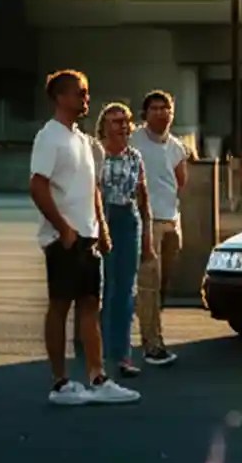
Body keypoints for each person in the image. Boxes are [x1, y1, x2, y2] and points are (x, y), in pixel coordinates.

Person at [29, 70, 140, 405]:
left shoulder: (82, 141)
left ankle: (98, 377)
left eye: (86, 92)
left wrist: (101, 228)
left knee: (92, 305)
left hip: (89, 236)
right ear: (61, 98)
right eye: (80, 93)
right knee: (60, 307)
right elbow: (37, 185)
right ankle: (60, 383)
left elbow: (91, 188)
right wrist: (63, 229)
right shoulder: (49, 137)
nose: (86, 99)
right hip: (64, 238)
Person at [75, 102, 156, 378]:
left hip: (127, 218)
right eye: (114, 121)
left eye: (124, 121)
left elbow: (143, 198)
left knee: (124, 290)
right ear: (104, 126)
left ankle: (121, 354)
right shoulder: (95, 154)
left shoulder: (135, 157)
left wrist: (148, 239)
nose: (121, 126)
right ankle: (92, 348)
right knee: (100, 288)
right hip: (100, 218)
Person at [129, 90, 190, 366]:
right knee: (148, 284)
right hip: (145, 221)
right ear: (145, 113)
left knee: (163, 283)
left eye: (165, 108)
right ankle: (152, 344)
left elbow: (181, 181)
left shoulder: (177, 146)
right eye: (154, 108)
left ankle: (149, 328)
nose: (160, 113)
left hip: (171, 220)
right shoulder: (134, 140)